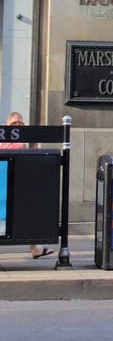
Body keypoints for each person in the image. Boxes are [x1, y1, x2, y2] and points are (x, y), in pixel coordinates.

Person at [0, 111, 53, 259]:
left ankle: (35, 247)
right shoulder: (7, 141)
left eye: (20, 123)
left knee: (28, 214)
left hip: (19, 185)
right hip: (4, 186)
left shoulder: (24, 140)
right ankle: (35, 247)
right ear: (7, 125)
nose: (17, 126)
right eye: (14, 123)